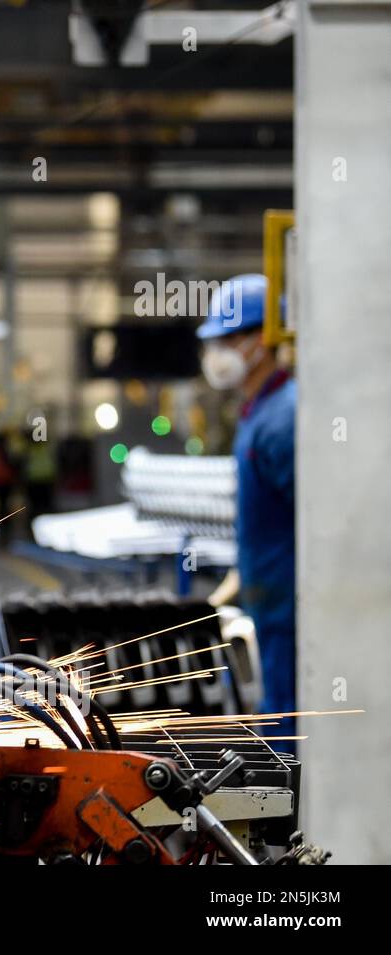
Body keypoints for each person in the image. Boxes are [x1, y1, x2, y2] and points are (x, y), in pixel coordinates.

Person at [198, 274, 296, 744]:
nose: (217, 353)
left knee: (292, 729)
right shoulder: (262, 412)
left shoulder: (284, 418)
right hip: (273, 607)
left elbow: (314, 524)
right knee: (279, 716)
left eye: (229, 339)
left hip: (293, 615)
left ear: (262, 341)